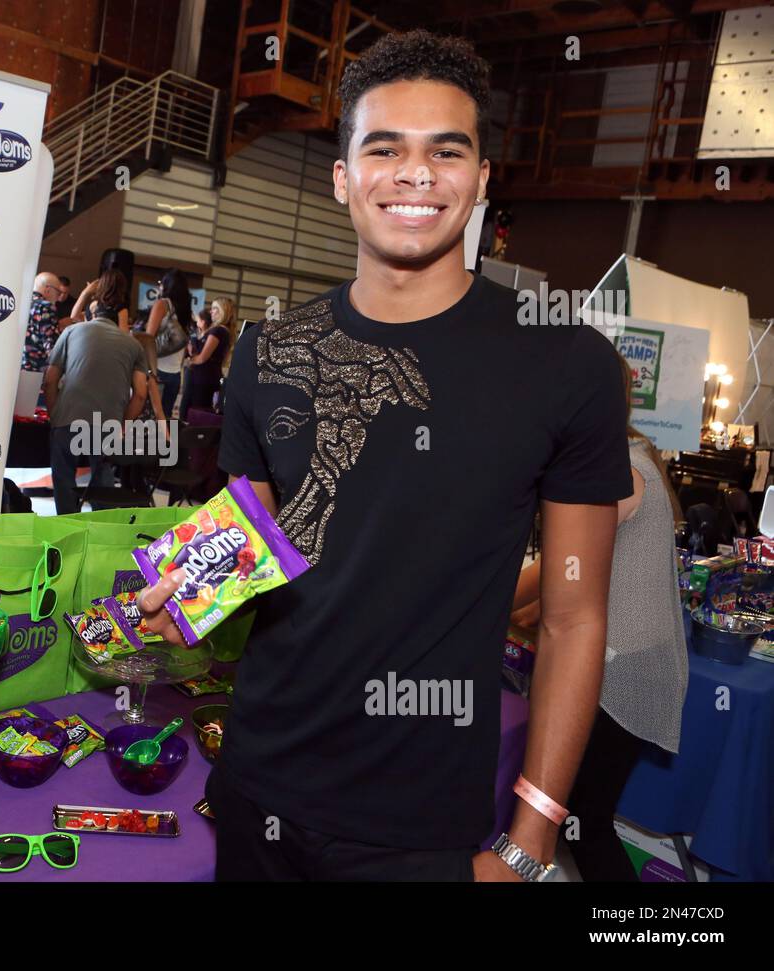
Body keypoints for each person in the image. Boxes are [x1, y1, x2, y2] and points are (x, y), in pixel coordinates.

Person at [139, 29, 632, 882]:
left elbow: (574, 614)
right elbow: (253, 533)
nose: (414, 174)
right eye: (384, 148)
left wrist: (534, 836)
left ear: (480, 180)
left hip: (416, 818)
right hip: (257, 784)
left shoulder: (566, 363)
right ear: (342, 177)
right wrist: (185, 592)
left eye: (446, 151)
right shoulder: (269, 347)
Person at [510, 355, 688, 882]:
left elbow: (554, 568)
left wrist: (486, 601)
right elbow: (586, 578)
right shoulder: (632, 458)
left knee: (582, 823)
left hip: (625, 668)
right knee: (583, 817)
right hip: (634, 655)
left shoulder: (618, 473)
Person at [42, 306, 148, 515]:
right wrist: (123, 424)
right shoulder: (133, 344)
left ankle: (66, 526)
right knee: (102, 477)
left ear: (91, 316)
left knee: (63, 477)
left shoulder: (71, 332)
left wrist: (55, 415)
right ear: (117, 321)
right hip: (108, 422)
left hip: (68, 416)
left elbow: (50, 379)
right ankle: (102, 527)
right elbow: (140, 394)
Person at [144, 269, 194, 419]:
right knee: (164, 420)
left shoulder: (162, 304)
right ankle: (164, 443)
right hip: (175, 375)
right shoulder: (186, 310)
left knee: (148, 420)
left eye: (161, 283)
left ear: (166, 286)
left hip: (157, 370)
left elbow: (148, 338)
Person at [179, 302, 231, 420]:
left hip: (201, 378)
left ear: (223, 312)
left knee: (193, 413)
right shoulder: (222, 331)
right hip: (206, 376)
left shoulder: (217, 331)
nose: (211, 311)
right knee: (197, 412)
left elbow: (203, 357)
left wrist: (188, 362)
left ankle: (185, 436)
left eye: (215, 308)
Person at [21, 271, 66, 373]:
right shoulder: (45, 307)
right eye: (58, 292)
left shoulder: (20, 302)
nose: (58, 298)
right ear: (48, 290)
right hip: (35, 372)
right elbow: (52, 348)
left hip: (14, 371)